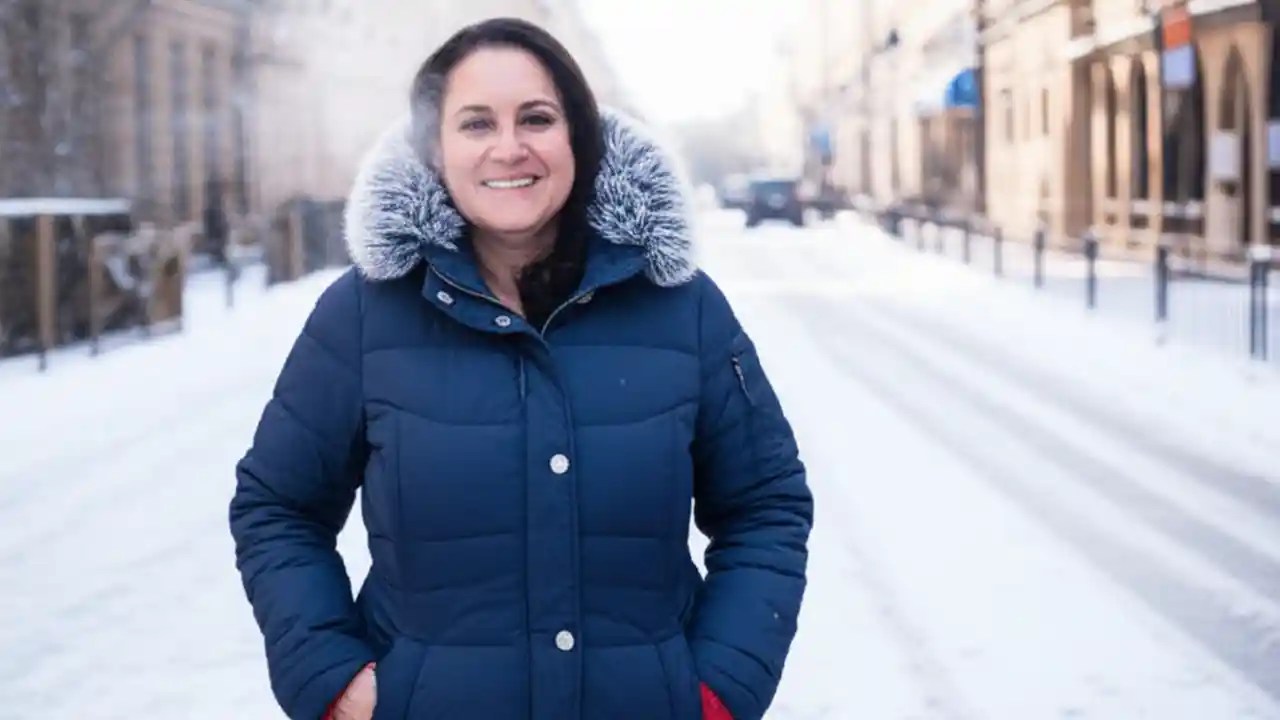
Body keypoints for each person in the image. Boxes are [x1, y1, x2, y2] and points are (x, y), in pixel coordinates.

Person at [228, 17, 812, 720]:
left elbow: (766, 505)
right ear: (435, 148)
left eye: (536, 118)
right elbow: (278, 507)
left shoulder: (680, 308)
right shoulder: (364, 313)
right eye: (476, 123)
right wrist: (331, 680)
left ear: (578, 137)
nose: (510, 148)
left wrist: (717, 691)